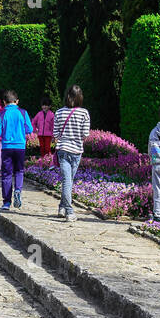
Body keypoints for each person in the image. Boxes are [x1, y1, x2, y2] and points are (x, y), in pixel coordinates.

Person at [53, 85, 91, 222]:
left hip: (62, 149)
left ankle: (62, 207)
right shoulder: (84, 113)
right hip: (76, 151)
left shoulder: (59, 112)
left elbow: (56, 133)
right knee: (68, 181)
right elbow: (85, 134)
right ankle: (69, 211)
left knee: (66, 181)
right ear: (80, 97)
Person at [0, 90, 34, 210]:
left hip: (7, 147)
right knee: (19, 171)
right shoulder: (23, 112)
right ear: (17, 101)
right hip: (20, 147)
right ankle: (18, 190)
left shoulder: (1, 114)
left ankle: (6, 202)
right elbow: (29, 129)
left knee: (6, 174)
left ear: (4, 102)